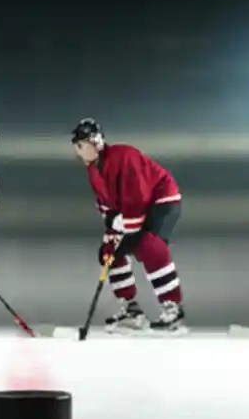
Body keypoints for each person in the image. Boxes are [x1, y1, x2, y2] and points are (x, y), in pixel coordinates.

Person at [70, 117, 187, 335]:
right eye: (77, 145)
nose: (79, 150)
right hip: (134, 210)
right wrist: (111, 232)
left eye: (81, 144)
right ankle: (131, 310)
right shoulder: (93, 170)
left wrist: (124, 224)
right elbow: (106, 205)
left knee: (150, 246)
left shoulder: (124, 156)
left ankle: (172, 309)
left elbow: (138, 197)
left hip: (162, 200)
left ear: (96, 142)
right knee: (109, 253)